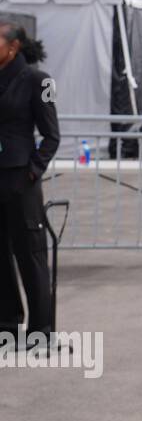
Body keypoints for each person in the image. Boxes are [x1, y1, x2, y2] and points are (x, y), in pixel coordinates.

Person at [0, 23, 59, 345]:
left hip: (21, 180)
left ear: (14, 47)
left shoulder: (38, 80)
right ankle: (6, 324)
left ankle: (41, 329)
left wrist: (33, 172)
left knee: (31, 254)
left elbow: (52, 135)